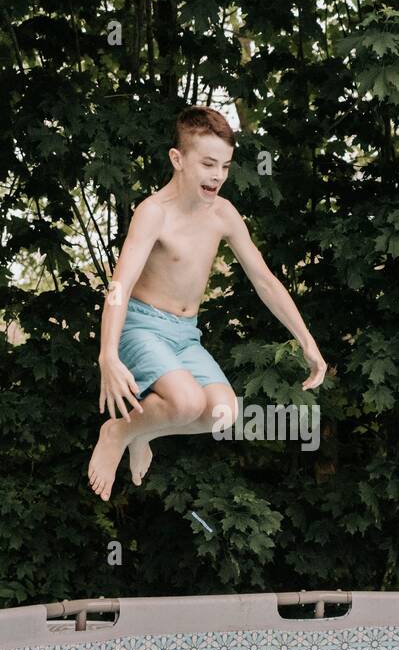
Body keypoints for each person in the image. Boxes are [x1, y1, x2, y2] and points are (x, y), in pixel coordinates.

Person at [87, 105, 327, 501]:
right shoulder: (153, 214)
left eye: (226, 167)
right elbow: (120, 285)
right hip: (141, 326)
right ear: (178, 159)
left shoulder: (223, 214)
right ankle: (118, 431)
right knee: (185, 402)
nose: (217, 176)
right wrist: (107, 355)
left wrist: (307, 341)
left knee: (223, 412)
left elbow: (265, 280)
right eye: (209, 164)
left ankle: (141, 430)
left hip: (185, 334)